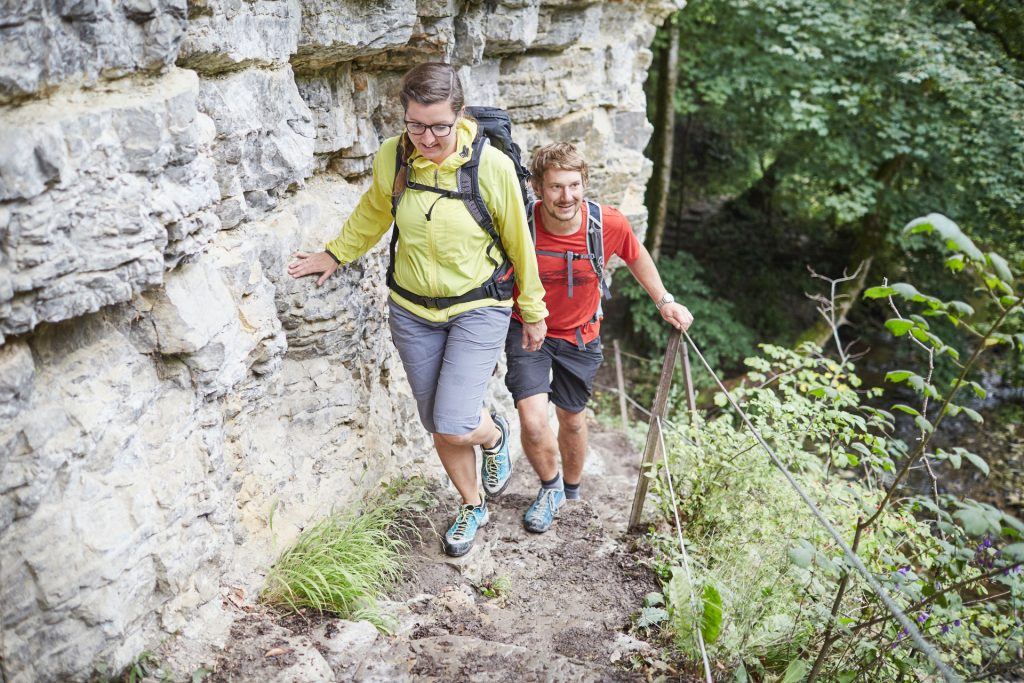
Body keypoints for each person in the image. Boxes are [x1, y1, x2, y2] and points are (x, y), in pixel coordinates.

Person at [288, 63, 548, 557]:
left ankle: (493, 434)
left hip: (478, 306)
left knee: (454, 421)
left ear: (460, 115)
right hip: (410, 311)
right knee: (436, 421)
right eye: (416, 124)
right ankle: (473, 505)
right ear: (403, 117)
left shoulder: (488, 166)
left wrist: (533, 310)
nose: (427, 137)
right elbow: (373, 211)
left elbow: (520, 240)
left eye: (439, 126)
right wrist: (335, 253)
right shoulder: (395, 156)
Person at [504, 142, 693, 533]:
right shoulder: (521, 222)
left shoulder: (607, 223)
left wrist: (665, 301)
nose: (566, 196)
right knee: (534, 420)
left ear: (584, 182)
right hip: (529, 331)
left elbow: (636, 255)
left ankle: (571, 492)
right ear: (538, 187)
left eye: (574, 185)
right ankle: (550, 489)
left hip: (581, 334)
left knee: (572, 420)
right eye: (556, 187)